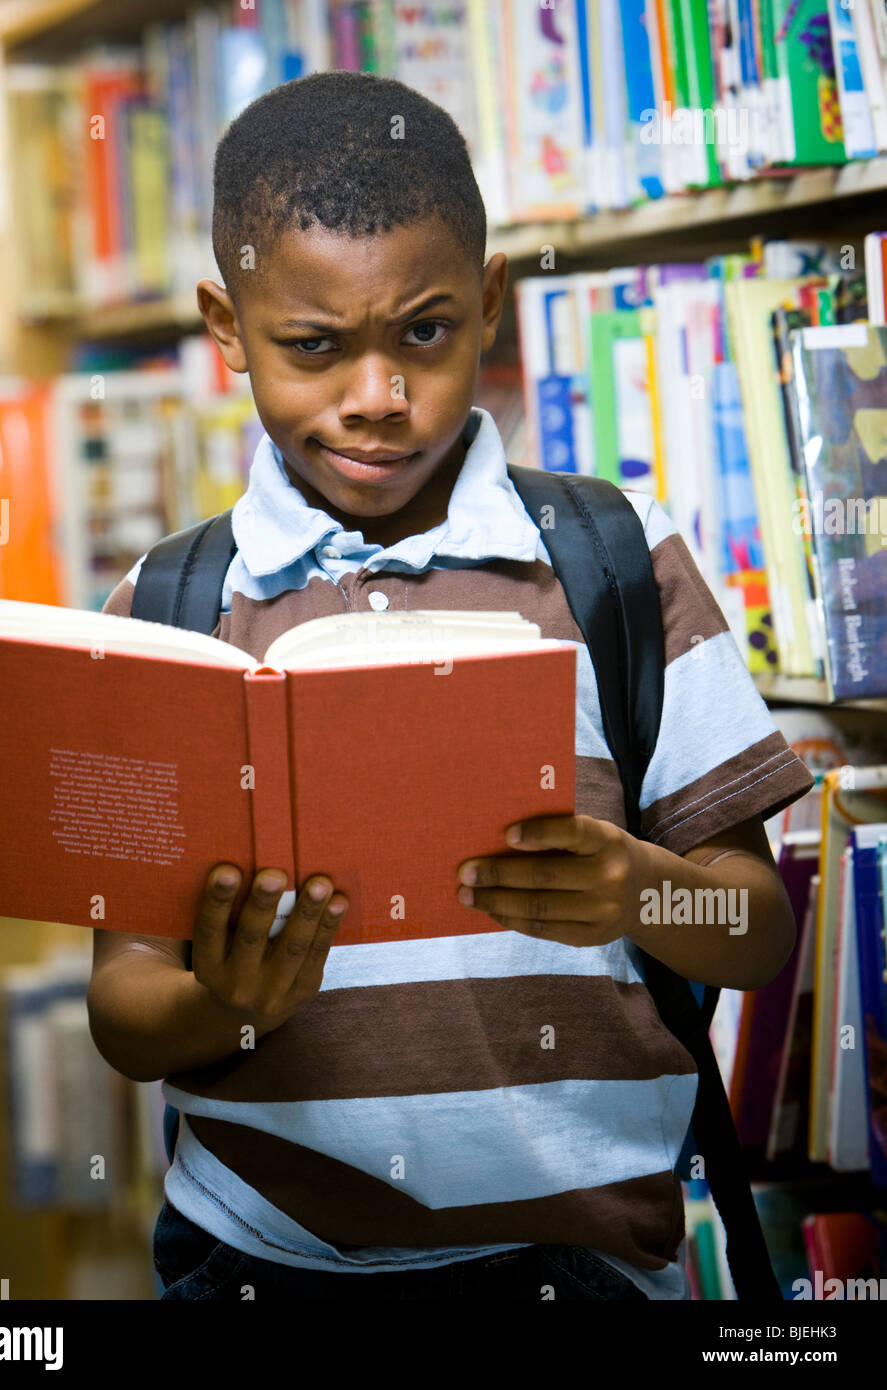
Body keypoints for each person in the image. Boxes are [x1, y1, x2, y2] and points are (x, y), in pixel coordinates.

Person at [87, 70, 816, 1301]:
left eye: (423, 331)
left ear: (488, 304)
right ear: (226, 331)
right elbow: (124, 1005)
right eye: (312, 347)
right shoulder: (164, 611)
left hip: (579, 1267)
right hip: (264, 1256)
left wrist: (645, 891)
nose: (376, 398)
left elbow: (756, 931)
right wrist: (228, 1001)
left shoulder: (617, 560)